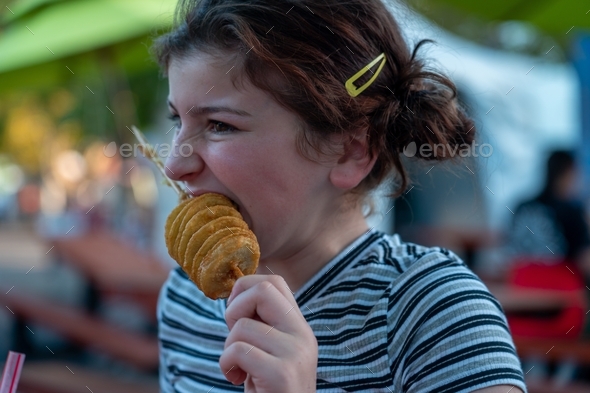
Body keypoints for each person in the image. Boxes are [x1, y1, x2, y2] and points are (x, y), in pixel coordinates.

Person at [153, 0, 527, 392]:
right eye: (177, 120)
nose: (174, 166)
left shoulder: (436, 312)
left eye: (219, 125)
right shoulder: (186, 298)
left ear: (351, 152)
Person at [507, 150, 590, 273]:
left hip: (521, 282)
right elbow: (585, 261)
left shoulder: (522, 207)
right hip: (560, 285)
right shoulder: (572, 212)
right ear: (568, 172)